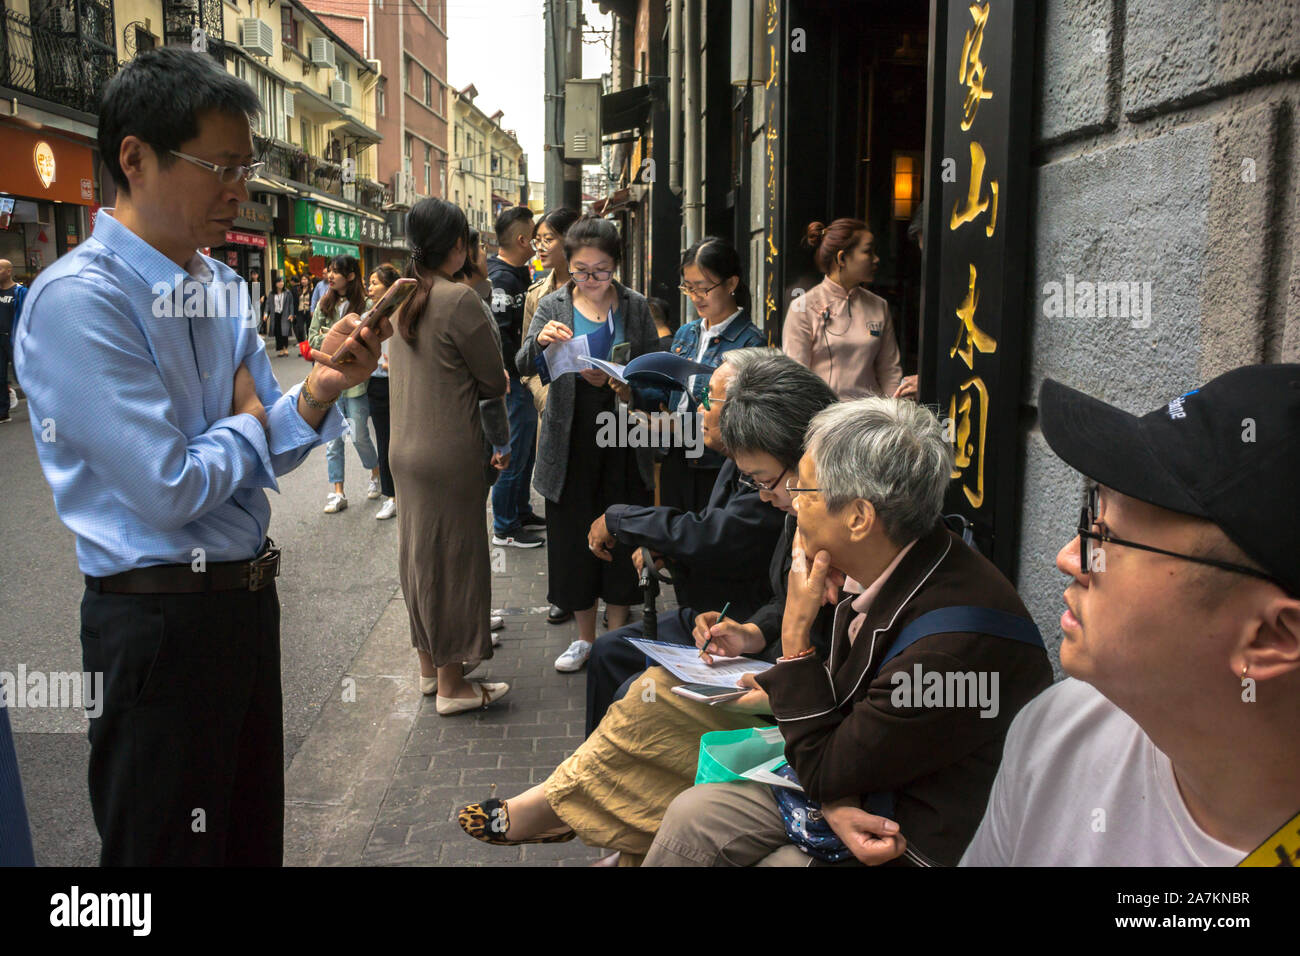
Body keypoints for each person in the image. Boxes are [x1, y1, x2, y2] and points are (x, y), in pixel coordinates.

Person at [11, 47, 384, 865]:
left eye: (243, 168)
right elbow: (167, 484)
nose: (239, 190)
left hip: (245, 604)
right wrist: (247, 426)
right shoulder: (80, 300)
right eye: (219, 165)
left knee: (250, 840)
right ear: (135, 158)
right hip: (154, 624)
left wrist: (316, 391)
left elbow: (261, 442)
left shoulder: (219, 287)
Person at [455, 352, 840, 864]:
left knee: (650, 695)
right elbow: (781, 601)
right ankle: (579, 807)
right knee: (633, 674)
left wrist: (785, 653)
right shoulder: (801, 510)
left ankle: (570, 807)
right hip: (776, 672)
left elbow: (842, 677)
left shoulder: (832, 528)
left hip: (805, 710)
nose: (765, 494)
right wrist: (752, 631)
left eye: (766, 480)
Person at [643, 396, 1054, 866]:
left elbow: (830, 769)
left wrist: (796, 639)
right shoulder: (889, 555)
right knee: (695, 816)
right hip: (860, 780)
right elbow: (842, 728)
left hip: (912, 830)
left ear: (858, 517)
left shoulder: (946, 654)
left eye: (805, 490)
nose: (790, 503)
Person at [961, 366, 1300, 866]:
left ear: (1270, 636)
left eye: (1108, 537)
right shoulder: (1060, 731)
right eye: (1091, 511)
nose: (1070, 557)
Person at [582, 348, 787, 733]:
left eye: (709, 399)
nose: (698, 410)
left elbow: (715, 536)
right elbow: (714, 530)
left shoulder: (784, 480)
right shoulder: (742, 462)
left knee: (637, 691)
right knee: (608, 651)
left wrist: (623, 519)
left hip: (741, 631)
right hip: (723, 623)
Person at [516, 215, 661, 674]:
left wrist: (626, 387)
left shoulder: (635, 307)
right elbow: (521, 361)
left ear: (616, 265)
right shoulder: (553, 303)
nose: (592, 280)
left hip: (622, 433)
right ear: (568, 266)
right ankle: (584, 638)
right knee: (575, 533)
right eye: (581, 271)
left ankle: (616, 633)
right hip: (571, 434)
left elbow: (654, 374)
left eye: (601, 270)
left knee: (621, 527)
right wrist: (540, 342)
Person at [389, 198, 511, 716]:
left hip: (405, 453)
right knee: (456, 561)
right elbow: (493, 381)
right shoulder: (459, 300)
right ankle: (453, 685)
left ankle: (427, 668)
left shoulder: (401, 296)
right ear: (458, 245)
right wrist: (503, 442)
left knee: (420, 558)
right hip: (451, 453)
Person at [649, 236, 765, 515]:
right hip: (676, 456)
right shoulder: (686, 333)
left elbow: (740, 418)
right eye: (688, 288)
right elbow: (668, 394)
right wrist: (630, 388)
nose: (695, 297)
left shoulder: (750, 344)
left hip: (715, 463)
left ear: (731, 284)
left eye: (702, 288)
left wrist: (678, 426)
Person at [521, 206, 582, 626]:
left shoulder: (598, 290)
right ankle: (564, 592)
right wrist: (546, 400)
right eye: (536, 239)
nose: (539, 247)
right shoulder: (536, 296)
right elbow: (526, 360)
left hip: (597, 412)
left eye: (547, 239)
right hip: (553, 410)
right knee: (558, 505)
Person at [782, 218, 914, 400]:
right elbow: (796, 379)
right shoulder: (803, 307)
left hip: (871, 418)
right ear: (842, 258)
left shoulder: (878, 306)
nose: (876, 259)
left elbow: (889, 371)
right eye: (868, 251)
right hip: (824, 417)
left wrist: (896, 413)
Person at [487, 205, 546, 550]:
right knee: (512, 452)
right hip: (513, 381)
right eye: (536, 236)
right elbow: (501, 338)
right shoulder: (502, 279)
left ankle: (520, 511)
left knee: (524, 452)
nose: (538, 243)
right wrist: (517, 374)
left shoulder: (520, 275)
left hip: (523, 379)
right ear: (522, 239)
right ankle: (505, 526)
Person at [310, 254, 382, 513]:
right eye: (329, 271)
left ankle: (375, 473)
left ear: (350, 276)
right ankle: (337, 492)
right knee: (332, 439)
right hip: (328, 382)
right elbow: (312, 340)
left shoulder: (363, 308)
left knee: (359, 435)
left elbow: (361, 343)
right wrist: (338, 343)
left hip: (355, 385)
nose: (329, 275)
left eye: (336, 271)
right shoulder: (323, 304)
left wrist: (330, 339)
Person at [365, 264, 400, 520]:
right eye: (369, 283)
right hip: (377, 384)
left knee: (404, 442)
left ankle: (406, 492)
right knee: (385, 441)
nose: (370, 287)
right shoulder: (369, 315)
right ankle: (390, 496)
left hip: (401, 384)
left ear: (390, 286)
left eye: (375, 282)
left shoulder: (404, 313)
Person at [0, 258, 28, 424]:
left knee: (22, 375)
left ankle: (38, 406)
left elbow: (28, 315)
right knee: (0, 376)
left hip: (14, 339)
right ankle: (3, 412)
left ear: (8, 271)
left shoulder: (19, 292)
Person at [264, 274, 294, 356]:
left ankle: (286, 349)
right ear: (275, 284)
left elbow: (291, 304)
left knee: (285, 332)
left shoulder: (287, 293)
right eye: (279, 282)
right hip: (276, 315)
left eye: (282, 282)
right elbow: (268, 304)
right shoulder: (271, 293)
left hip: (285, 314)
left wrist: (291, 314)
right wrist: (266, 314)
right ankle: (280, 349)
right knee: (278, 333)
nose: (281, 283)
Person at [293, 273, 313, 345]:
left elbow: (314, 300)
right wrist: (294, 313)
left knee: (309, 329)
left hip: (308, 311)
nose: (303, 281)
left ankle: (309, 346)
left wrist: (309, 304)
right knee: (300, 330)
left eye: (305, 279)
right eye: (302, 279)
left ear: (308, 280)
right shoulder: (298, 290)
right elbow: (295, 302)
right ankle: (303, 346)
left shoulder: (311, 290)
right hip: (300, 311)